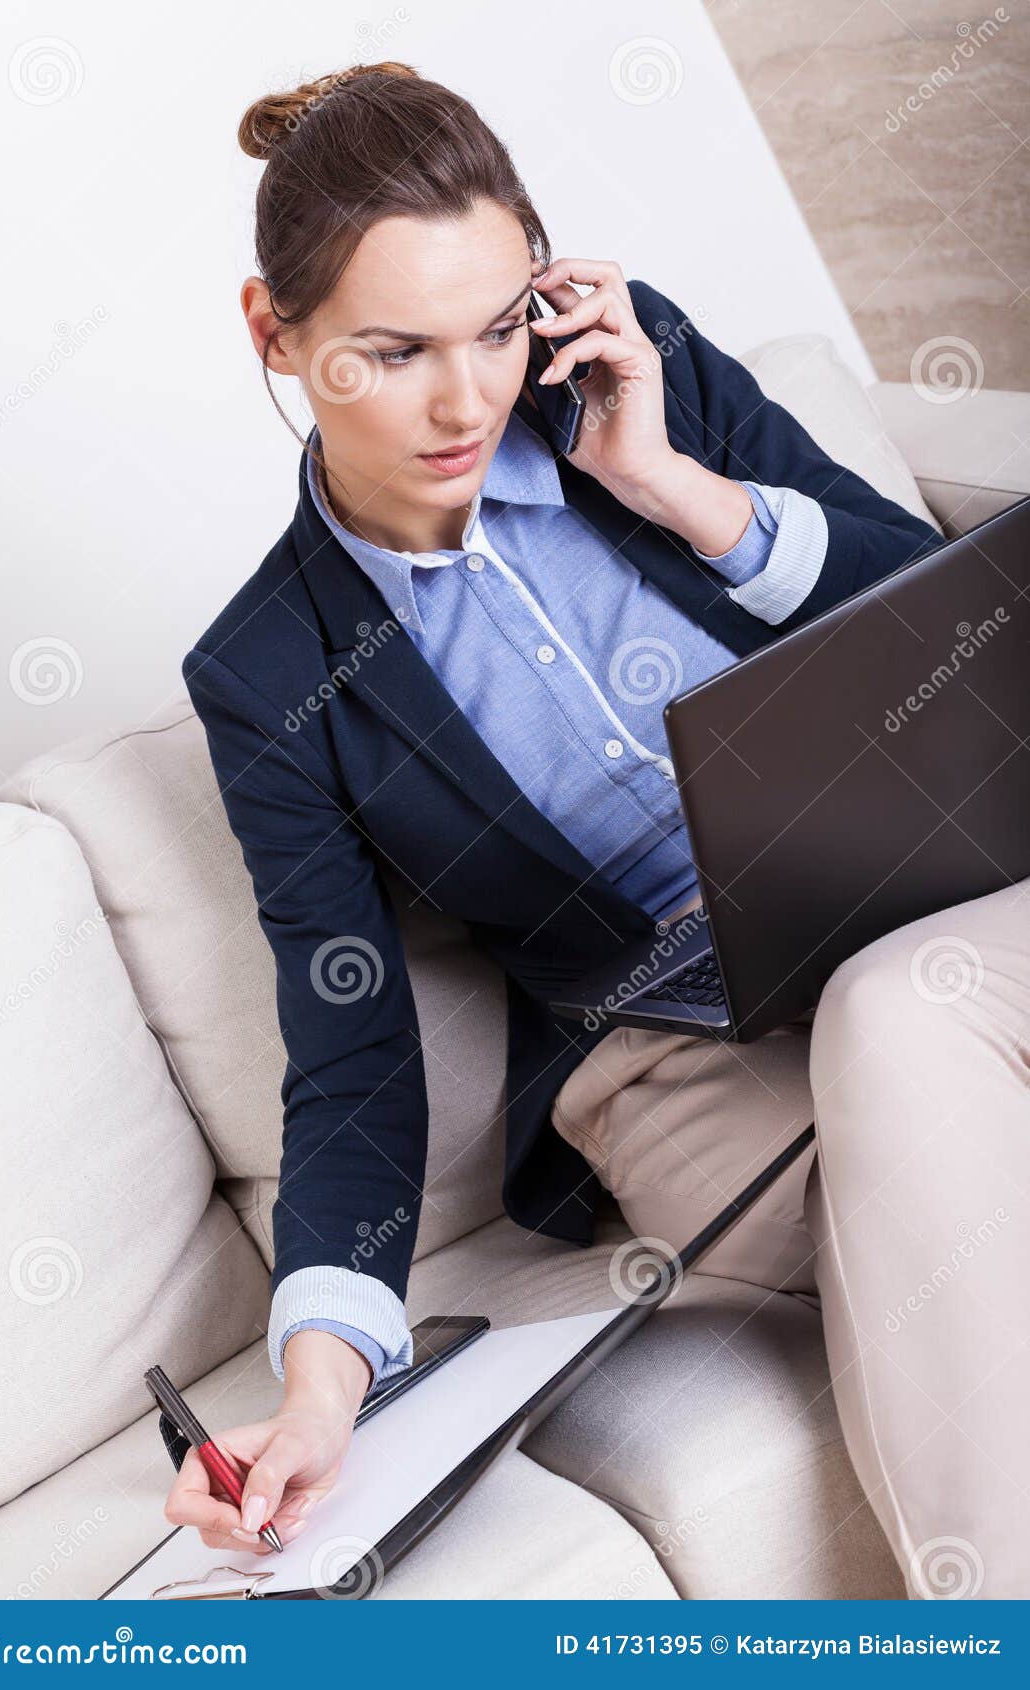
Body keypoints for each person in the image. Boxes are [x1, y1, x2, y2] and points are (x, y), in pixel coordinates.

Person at [166, 62, 1027, 1595]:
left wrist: (679, 485)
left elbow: (945, 626)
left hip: (938, 898)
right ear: (272, 335)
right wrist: (318, 1381)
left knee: (908, 1027)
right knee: (944, 1215)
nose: (465, 398)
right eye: (393, 351)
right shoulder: (271, 671)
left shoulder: (645, 373)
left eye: (499, 329)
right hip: (687, 1047)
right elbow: (348, 1044)